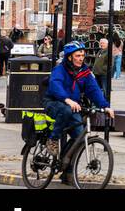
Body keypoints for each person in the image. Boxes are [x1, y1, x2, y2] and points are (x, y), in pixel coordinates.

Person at [44, 42, 114, 182]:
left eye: (82, 55)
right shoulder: (60, 69)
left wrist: (105, 106)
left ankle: (67, 170)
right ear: (70, 57)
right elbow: (55, 85)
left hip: (73, 106)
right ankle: (53, 139)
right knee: (65, 109)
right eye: (77, 55)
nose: (81, 58)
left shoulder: (85, 72)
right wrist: (66, 99)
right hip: (54, 103)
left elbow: (94, 90)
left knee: (80, 138)